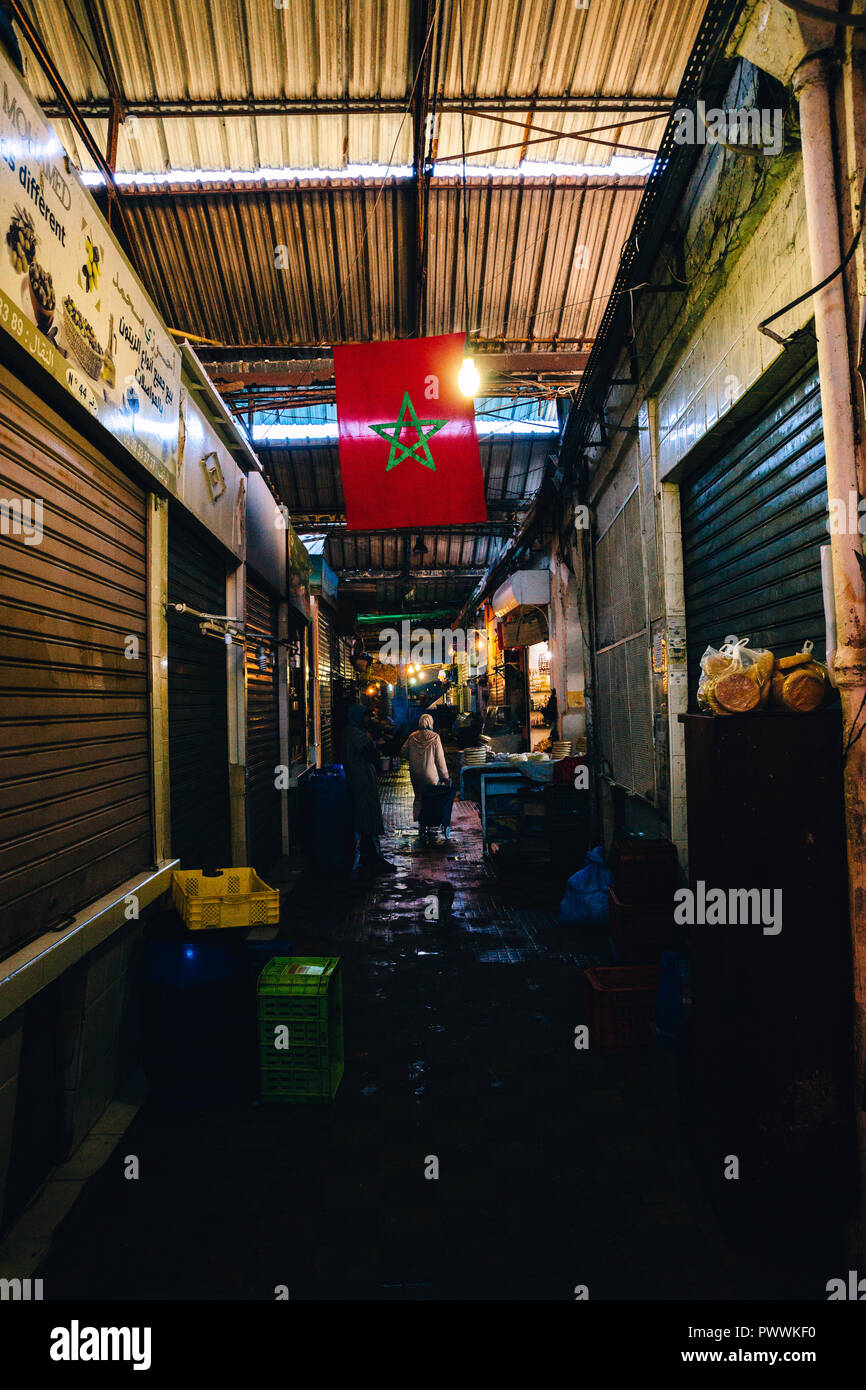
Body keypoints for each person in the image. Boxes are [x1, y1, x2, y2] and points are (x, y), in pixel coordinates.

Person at [343, 704, 395, 874]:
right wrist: (375, 743)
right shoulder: (355, 734)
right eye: (365, 716)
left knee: (366, 820)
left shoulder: (351, 732)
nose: (367, 720)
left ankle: (369, 857)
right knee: (368, 819)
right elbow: (371, 754)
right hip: (361, 782)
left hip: (360, 781)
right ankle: (373, 859)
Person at [401, 713, 450, 822]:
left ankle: (419, 820)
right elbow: (439, 759)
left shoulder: (412, 736)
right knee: (431, 797)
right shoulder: (435, 737)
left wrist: (414, 758)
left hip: (415, 774)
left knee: (418, 797)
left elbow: (403, 752)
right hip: (431, 775)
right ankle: (431, 819)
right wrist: (445, 776)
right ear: (430, 723)